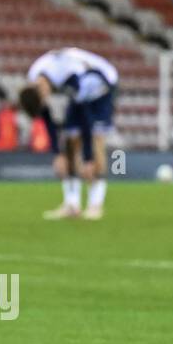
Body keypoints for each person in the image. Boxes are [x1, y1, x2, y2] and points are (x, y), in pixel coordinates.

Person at [19, 46, 119, 220]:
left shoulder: (70, 76)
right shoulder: (34, 79)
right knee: (70, 142)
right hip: (82, 94)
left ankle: (96, 204)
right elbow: (46, 116)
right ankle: (71, 204)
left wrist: (88, 159)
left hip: (102, 87)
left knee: (96, 140)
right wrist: (57, 154)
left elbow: (85, 117)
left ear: (43, 92)